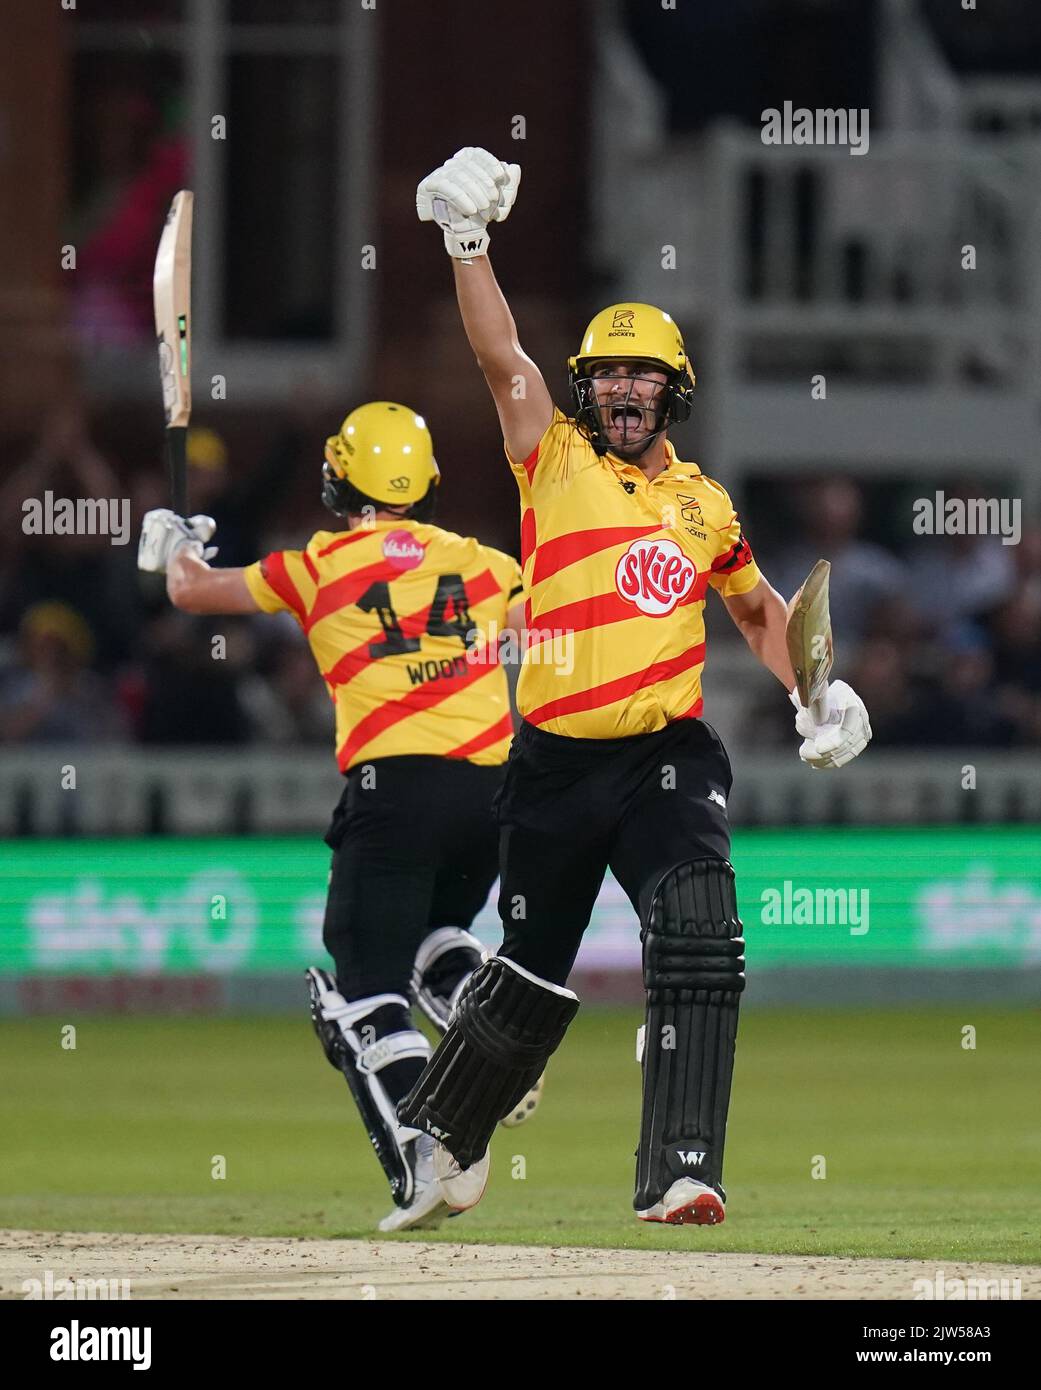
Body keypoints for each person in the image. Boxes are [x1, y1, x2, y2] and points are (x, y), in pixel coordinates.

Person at [395, 147, 872, 1226]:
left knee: (701, 927)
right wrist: (466, 243)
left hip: (666, 754)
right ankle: (451, 1142)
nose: (621, 387)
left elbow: (758, 612)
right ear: (587, 389)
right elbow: (498, 355)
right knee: (526, 975)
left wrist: (818, 693)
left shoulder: (707, 505)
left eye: (641, 375)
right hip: (556, 761)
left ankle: (682, 1169)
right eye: (607, 373)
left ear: (673, 392)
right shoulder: (551, 458)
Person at [137, 400, 539, 1231]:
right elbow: (545, 635)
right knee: (436, 938)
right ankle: (494, 1032)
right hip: (491, 796)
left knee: (363, 985)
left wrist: (174, 541)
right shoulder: (484, 562)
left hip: (394, 791)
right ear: (424, 482)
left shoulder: (313, 567)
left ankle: (436, 1153)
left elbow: (191, 592)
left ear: (339, 476)